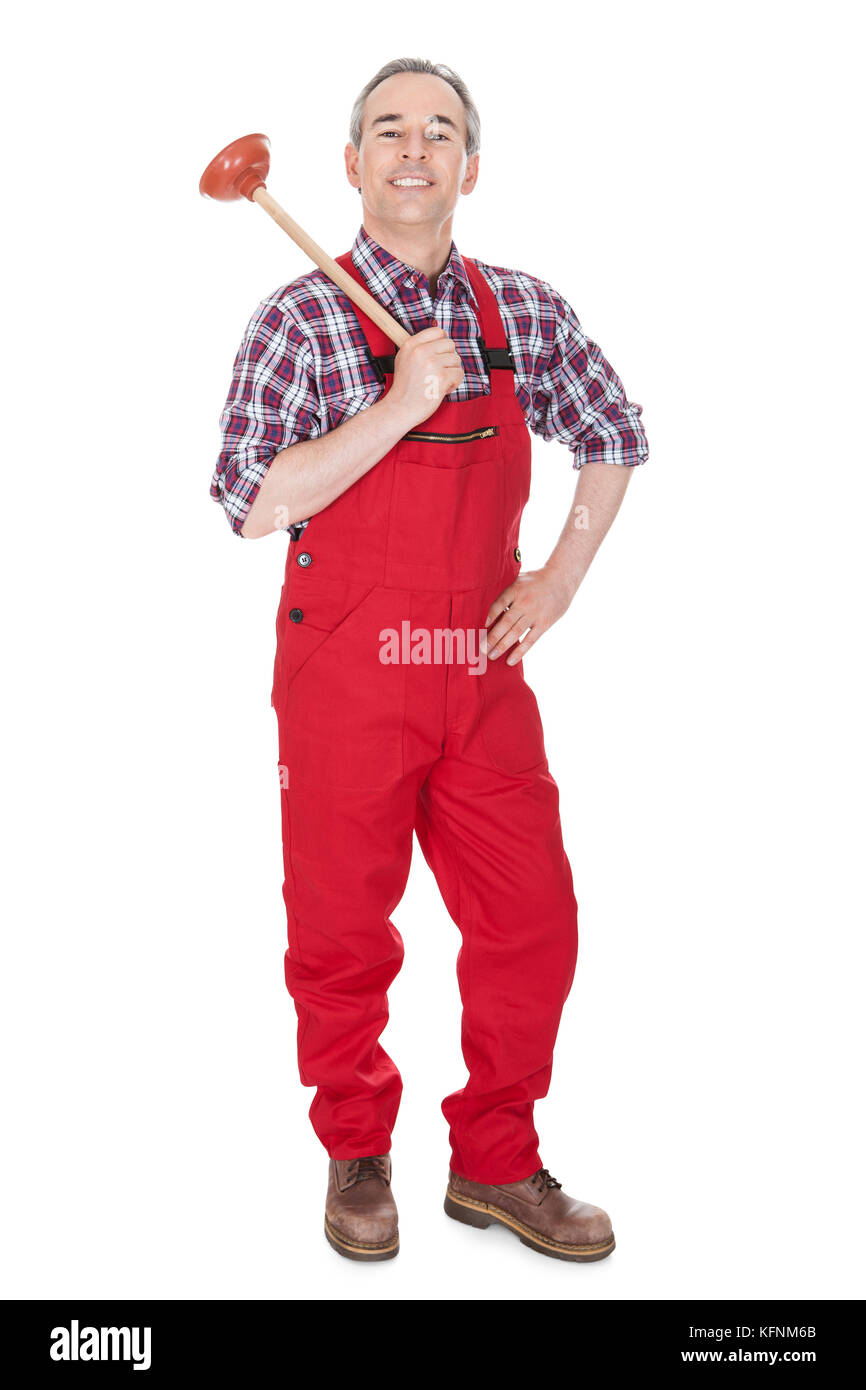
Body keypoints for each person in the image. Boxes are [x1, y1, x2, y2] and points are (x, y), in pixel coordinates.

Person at [210, 57, 648, 1264]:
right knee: (343, 931)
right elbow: (250, 501)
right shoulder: (300, 316)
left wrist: (557, 578)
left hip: (479, 672)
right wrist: (398, 402)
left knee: (532, 919)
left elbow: (613, 432)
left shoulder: (522, 313)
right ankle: (357, 1151)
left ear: (469, 166)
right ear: (351, 166)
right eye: (388, 131)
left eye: (440, 131)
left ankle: (497, 1162)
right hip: (347, 676)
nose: (415, 149)